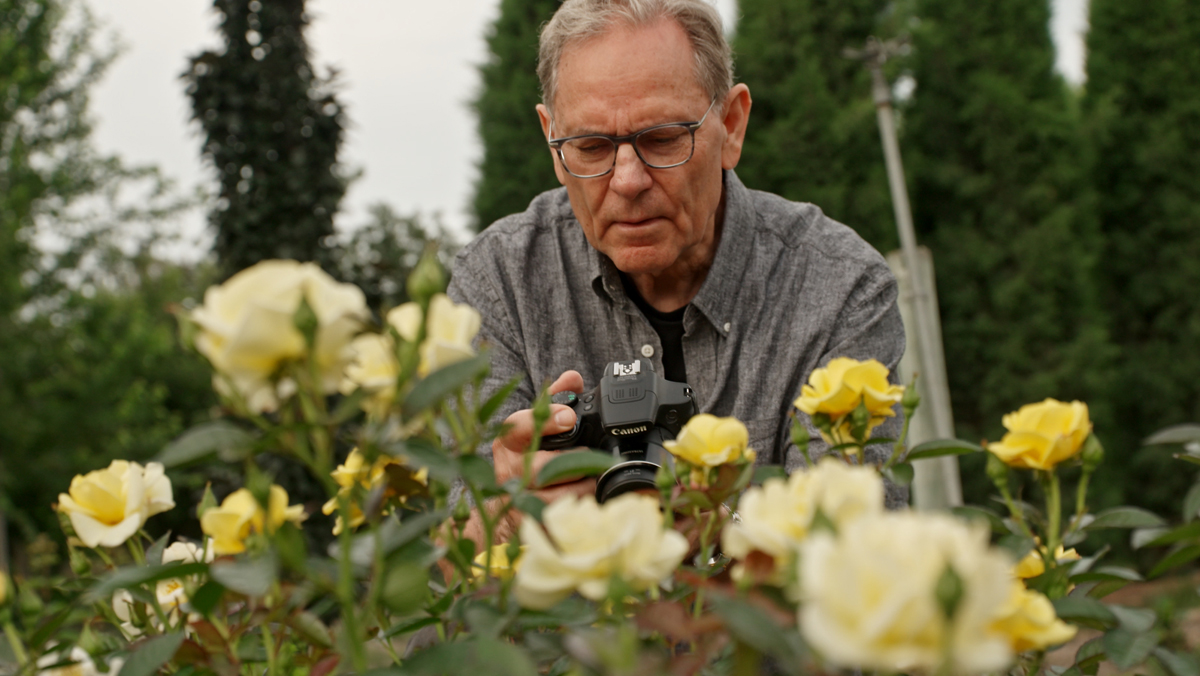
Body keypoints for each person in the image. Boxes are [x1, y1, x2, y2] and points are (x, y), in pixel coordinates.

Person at [447, 0, 906, 543]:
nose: (626, 180)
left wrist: (713, 524)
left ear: (731, 126)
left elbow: (857, 553)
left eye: (662, 139)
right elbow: (444, 579)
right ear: (552, 141)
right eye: (590, 147)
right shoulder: (499, 282)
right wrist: (502, 520)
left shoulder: (839, 288)